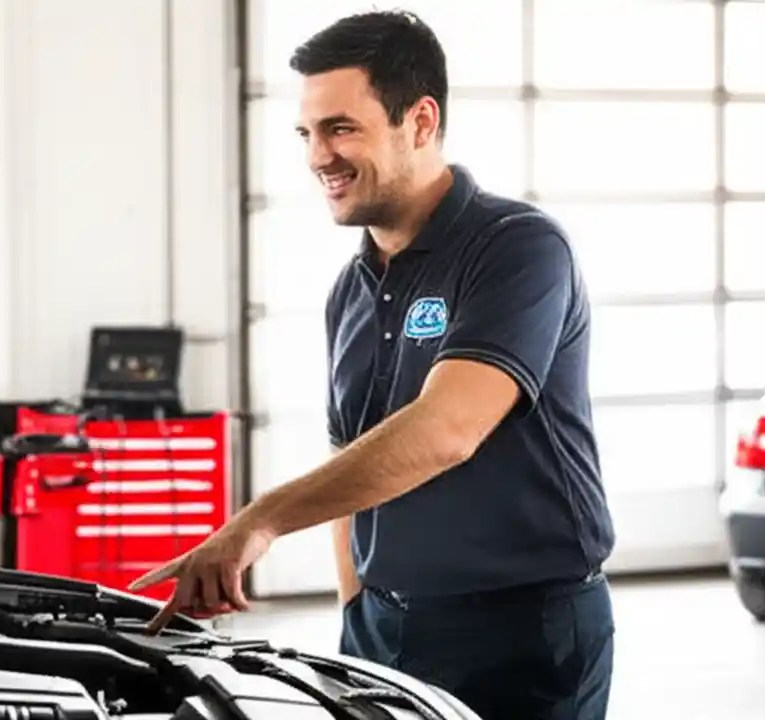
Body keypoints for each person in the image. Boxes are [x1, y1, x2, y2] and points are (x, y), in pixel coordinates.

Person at [130, 11, 615, 720]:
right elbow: (350, 457)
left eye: (341, 128)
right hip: (383, 631)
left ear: (420, 120)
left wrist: (258, 522)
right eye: (307, 133)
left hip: (524, 633)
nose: (316, 155)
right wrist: (357, 612)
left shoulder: (518, 250)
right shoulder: (349, 292)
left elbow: (448, 428)